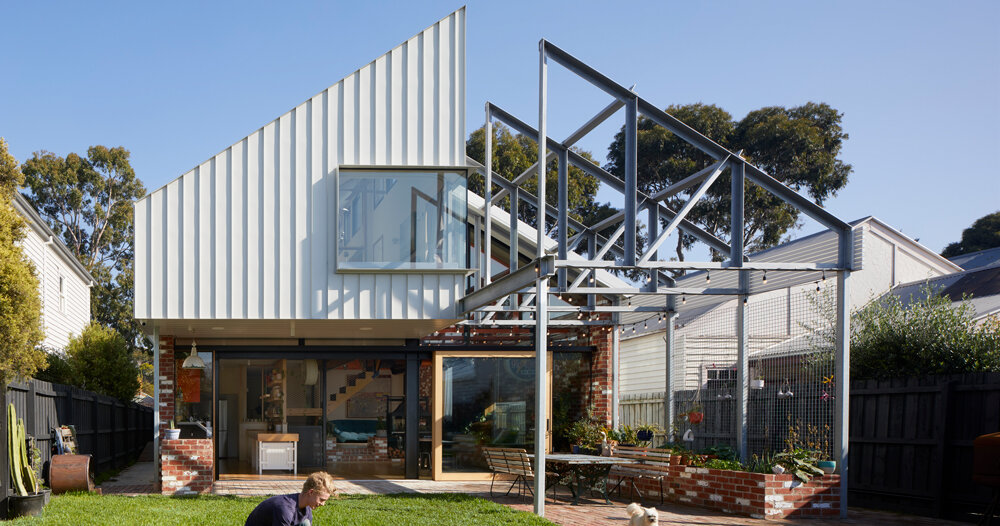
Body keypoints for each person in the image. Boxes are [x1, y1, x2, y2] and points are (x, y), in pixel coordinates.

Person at [245, 471, 336, 526]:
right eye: (321, 500)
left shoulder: (307, 511)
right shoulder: (285, 508)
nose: (323, 504)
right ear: (311, 492)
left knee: (305, 523)